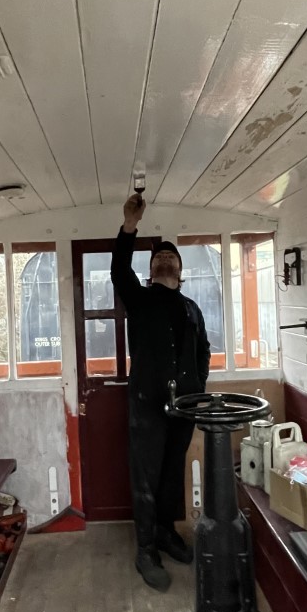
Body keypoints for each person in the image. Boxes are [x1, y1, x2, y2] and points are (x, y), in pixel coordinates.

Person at [111, 192, 210, 590]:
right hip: (147, 407)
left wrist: (197, 389)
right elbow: (120, 271)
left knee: (171, 475)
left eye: (171, 259)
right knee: (147, 478)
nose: (164, 261)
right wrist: (129, 228)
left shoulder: (191, 309)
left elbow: (203, 352)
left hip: (184, 409)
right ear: (151, 272)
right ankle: (147, 549)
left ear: (180, 271)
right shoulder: (140, 300)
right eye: (158, 260)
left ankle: (168, 533)